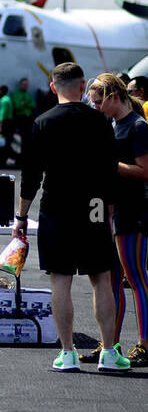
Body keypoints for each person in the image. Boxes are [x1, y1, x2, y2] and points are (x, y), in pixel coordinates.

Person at [14, 63, 128, 371]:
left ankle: (67, 353)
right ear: (82, 86)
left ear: (53, 87)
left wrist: (20, 217)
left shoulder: (42, 123)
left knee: (60, 281)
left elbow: (31, 176)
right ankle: (108, 352)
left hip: (57, 207)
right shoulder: (100, 121)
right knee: (101, 279)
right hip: (94, 206)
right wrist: (109, 209)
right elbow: (110, 170)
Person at [80, 74, 148, 366]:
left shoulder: (138, 126)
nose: (95, 108)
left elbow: (144, 172)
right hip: (112, 211)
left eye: (98, 102)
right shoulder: (112, 125)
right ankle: (110, 344)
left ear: (114, 97)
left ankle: (145, 344)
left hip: (134, 212)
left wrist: (110, 164)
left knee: (136, 277)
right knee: (111, 281)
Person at [0, 85, 17, 167]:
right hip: (8, 124)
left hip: (5, 125)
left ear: (2, 91)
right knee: (5, 145)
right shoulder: (7, 99)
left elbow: (3, 114)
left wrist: (0, 127)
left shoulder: (4, 100)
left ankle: (3, 162)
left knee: (2, 145)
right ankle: (2, 161)